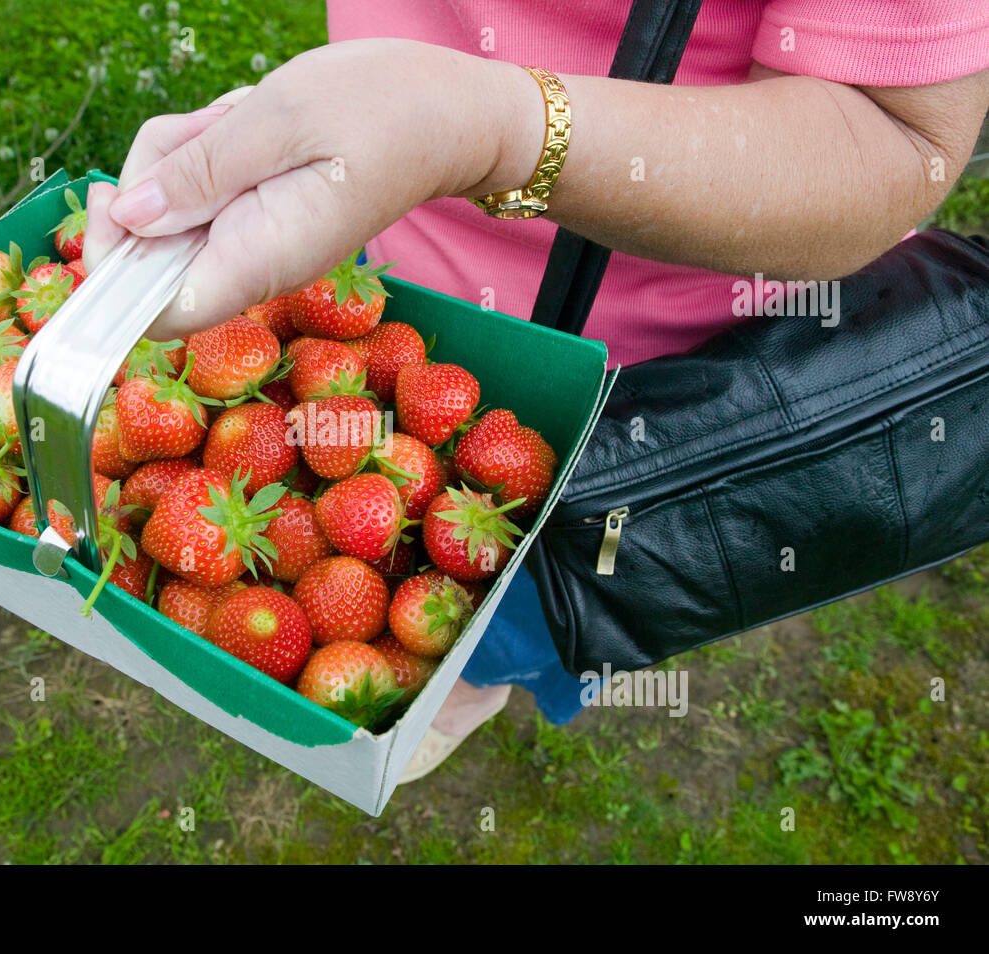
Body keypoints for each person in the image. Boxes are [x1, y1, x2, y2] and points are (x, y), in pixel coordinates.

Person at [83, 1, 989, 779]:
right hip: (375, 265)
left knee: (567, 587)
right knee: (436, 557)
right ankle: (455, 670)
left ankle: (477, 682)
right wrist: (318, 117)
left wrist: (485, 129)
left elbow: (891, 135)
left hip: (645, 382)